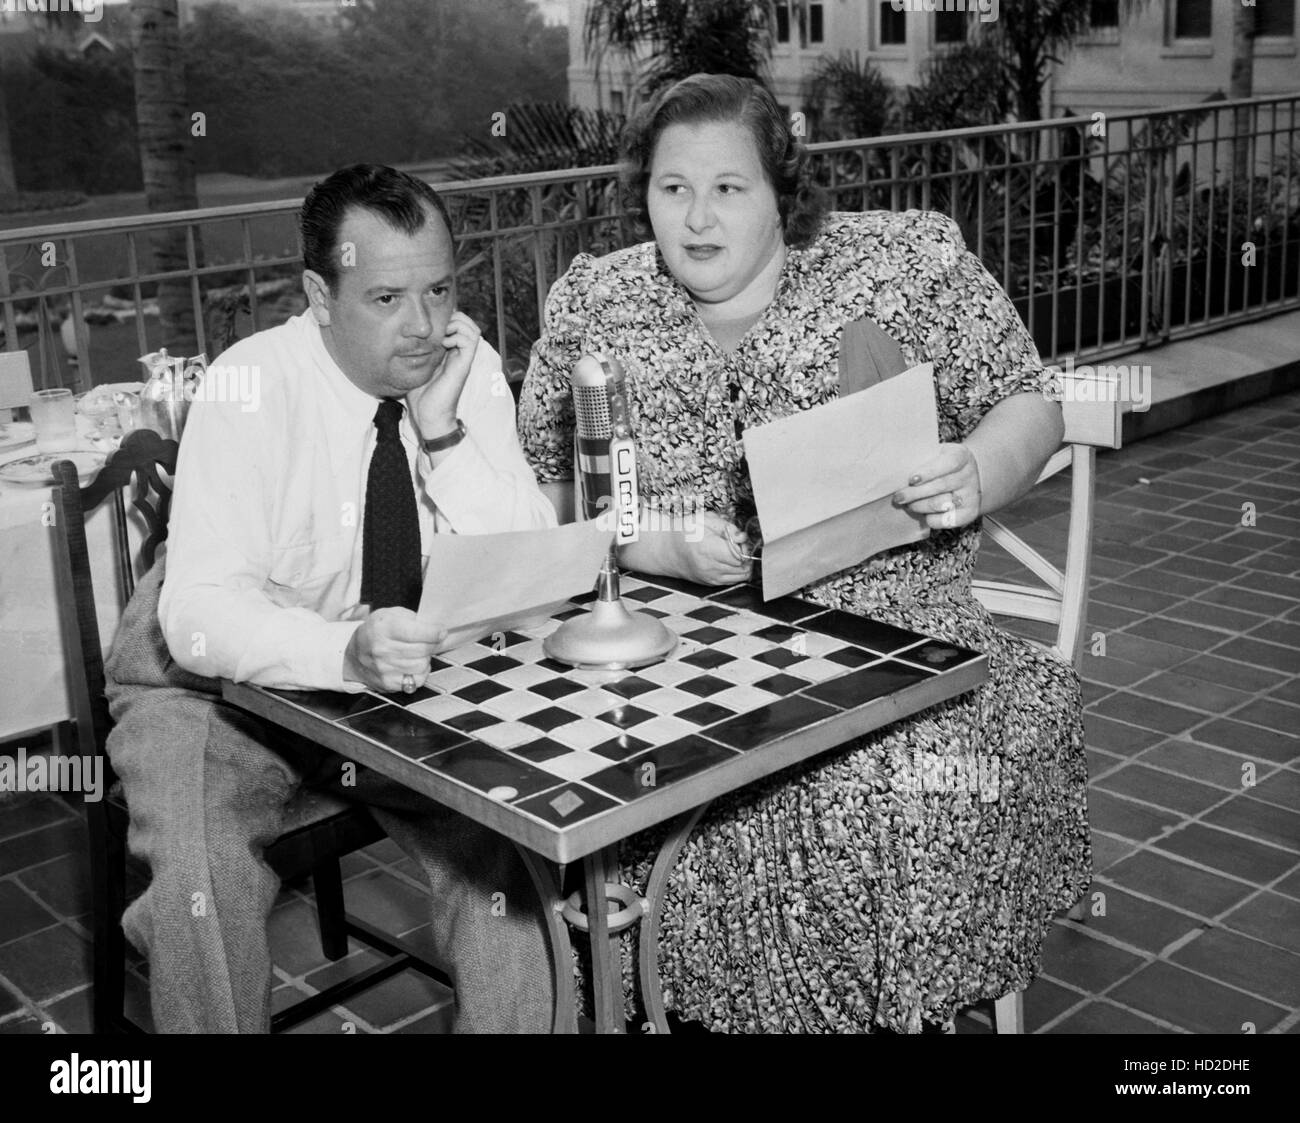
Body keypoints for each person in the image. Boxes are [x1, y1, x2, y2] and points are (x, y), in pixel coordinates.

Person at [517, 75, 1090, 1033]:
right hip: (675, 639)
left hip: (895, 631)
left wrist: (979, 471)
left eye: (729, 188)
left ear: (782, 189)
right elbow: (542, 482)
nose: (697, 218)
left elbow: (1028, 399)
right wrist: (655, 542)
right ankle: (673, 1006)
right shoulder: (600, 302)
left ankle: (859, 1009)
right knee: (603, 774)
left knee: (849, 782)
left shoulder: (902, 264)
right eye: (671, 189)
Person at [105, 164, 557, 1033]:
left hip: (397, 674)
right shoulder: (249, 386)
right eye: (387, 298)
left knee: (510, 857)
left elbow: (527, 564)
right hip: (211, 686)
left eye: (440, 290)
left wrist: (444, 431)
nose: (425, 326)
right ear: (319, 292)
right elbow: (199, 613)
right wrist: (337, 651)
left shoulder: (465, 362)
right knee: (202, 881)